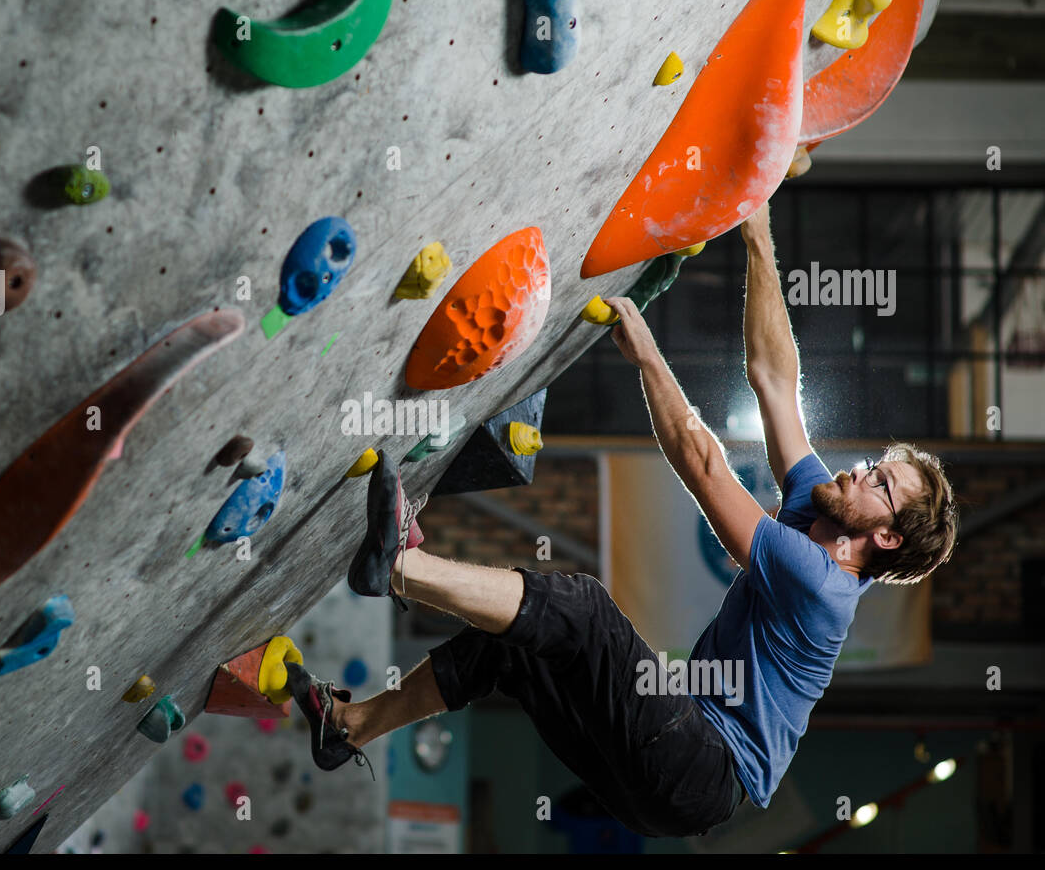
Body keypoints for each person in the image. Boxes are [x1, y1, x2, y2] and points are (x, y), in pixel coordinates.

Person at [286, 203, 959, 837]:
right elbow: (777, 381)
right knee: (515, 644)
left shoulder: (820, 582)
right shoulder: (823, 504)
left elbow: (703, 464)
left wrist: (646, 354)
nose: (860, 471)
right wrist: (757, 233)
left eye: (880, 481)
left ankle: (397, 565)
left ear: (886, 537)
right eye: (875, 463)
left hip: (699, 771)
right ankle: (349, 726)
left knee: (580, 606)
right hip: (663, 775)